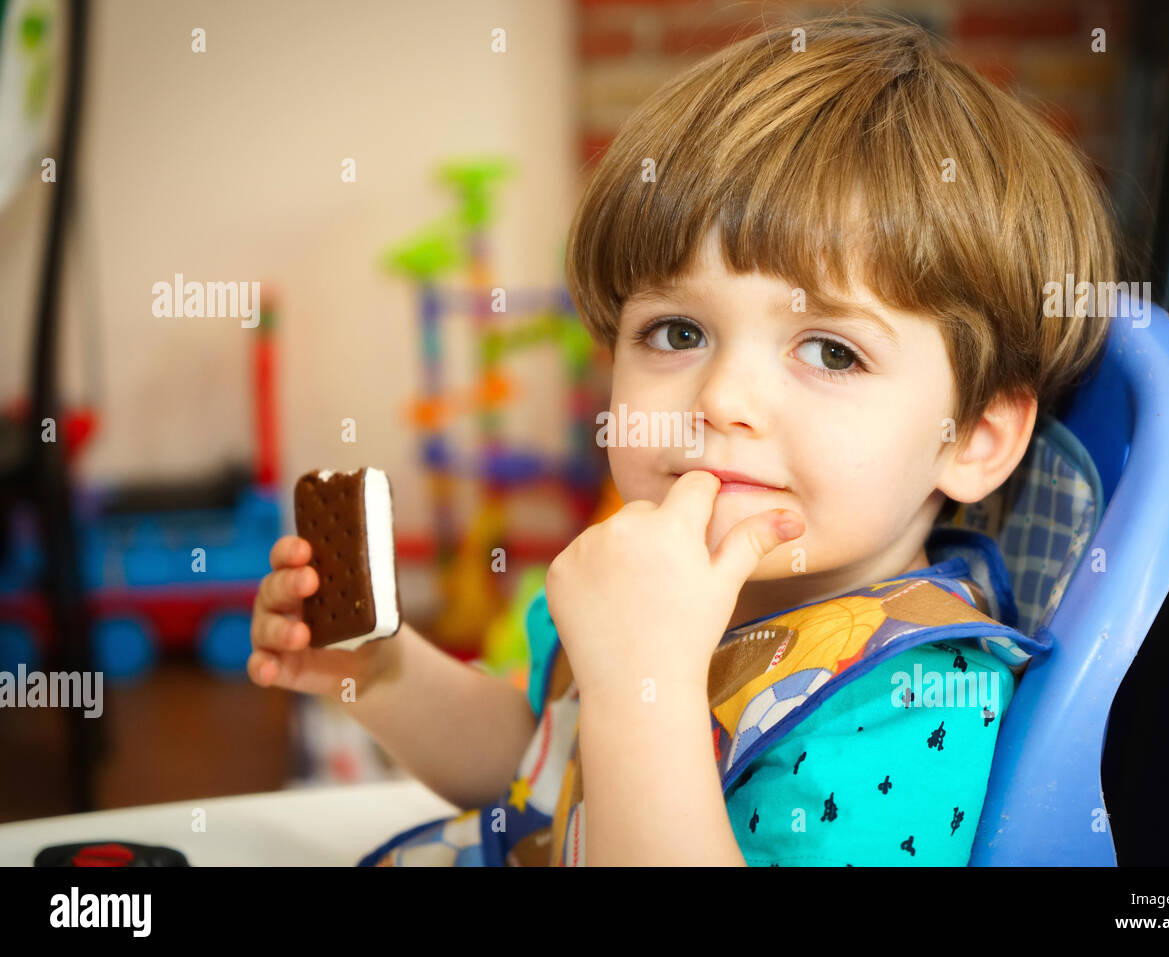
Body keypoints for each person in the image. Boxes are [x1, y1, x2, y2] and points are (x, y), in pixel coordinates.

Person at [248, 10, 1124, 865]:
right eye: (677, 332)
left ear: (973, 438)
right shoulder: (645, 570)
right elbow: (539, 773)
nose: (722, 397)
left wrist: (647, 683)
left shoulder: (911, 706)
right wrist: (381, 671)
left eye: (829, 350)